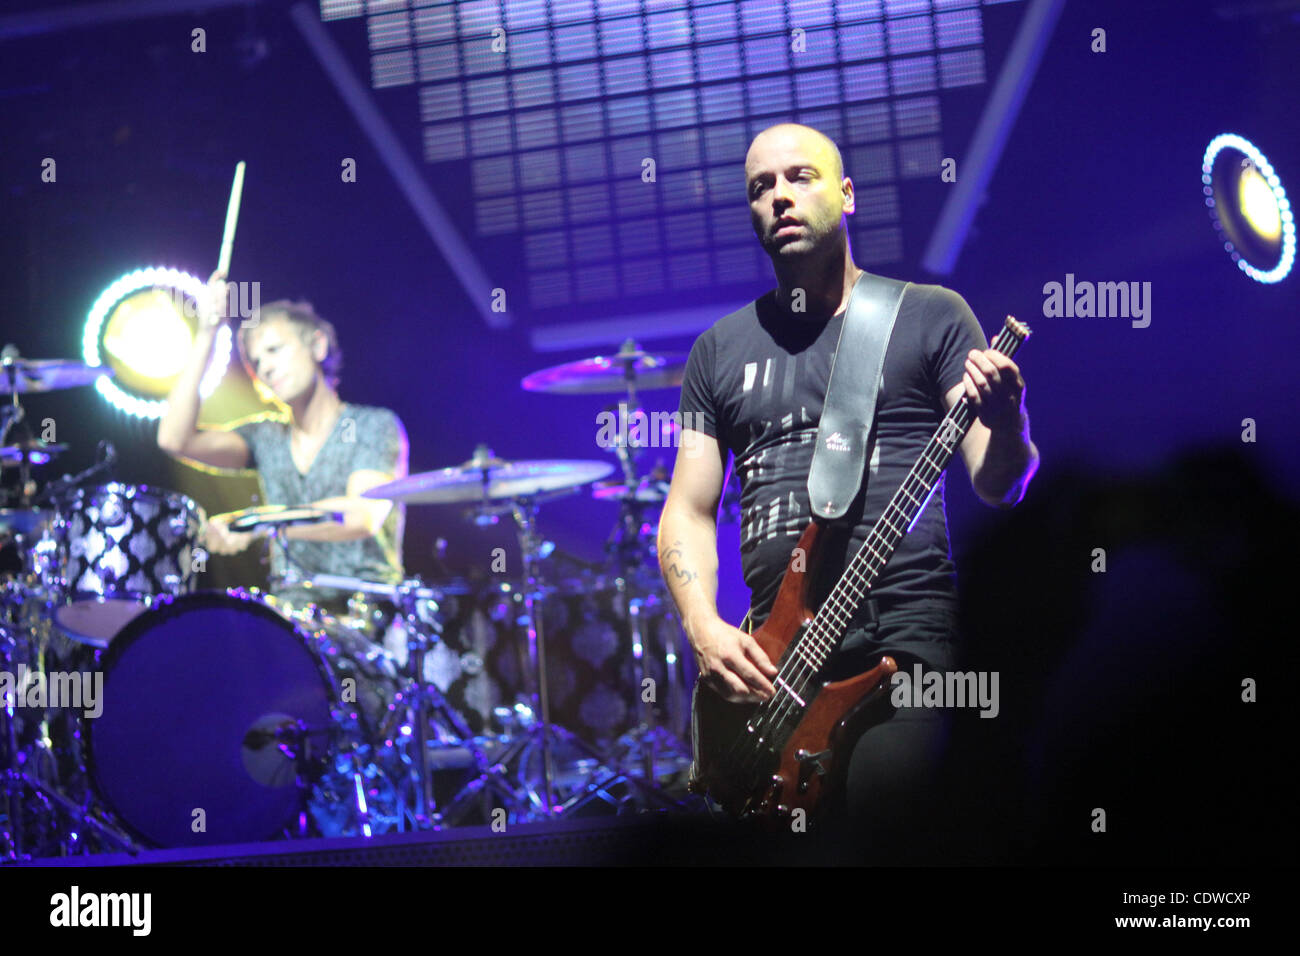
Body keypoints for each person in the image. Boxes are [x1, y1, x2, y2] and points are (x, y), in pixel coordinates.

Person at [658, 124, 1039, 852]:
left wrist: (1008, 416)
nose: (779, 197)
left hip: (905, 655)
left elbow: (1002, 484)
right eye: (760, 187)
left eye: (799, 177)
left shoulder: (929, 315)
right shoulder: (718, 351)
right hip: (773, 676)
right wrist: (704, 628)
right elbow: (689, 506)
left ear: (847, 194)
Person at [157, 272, 408, 610]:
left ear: (317, 346)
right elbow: (175, 439)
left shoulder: (373, 425)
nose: (267, 367)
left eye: (275, 350)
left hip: (368, 611)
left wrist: (258, 523)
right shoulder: (265, 437)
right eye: (257, 362)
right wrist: (206, 335)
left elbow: (361, 516)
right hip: (294, 615)